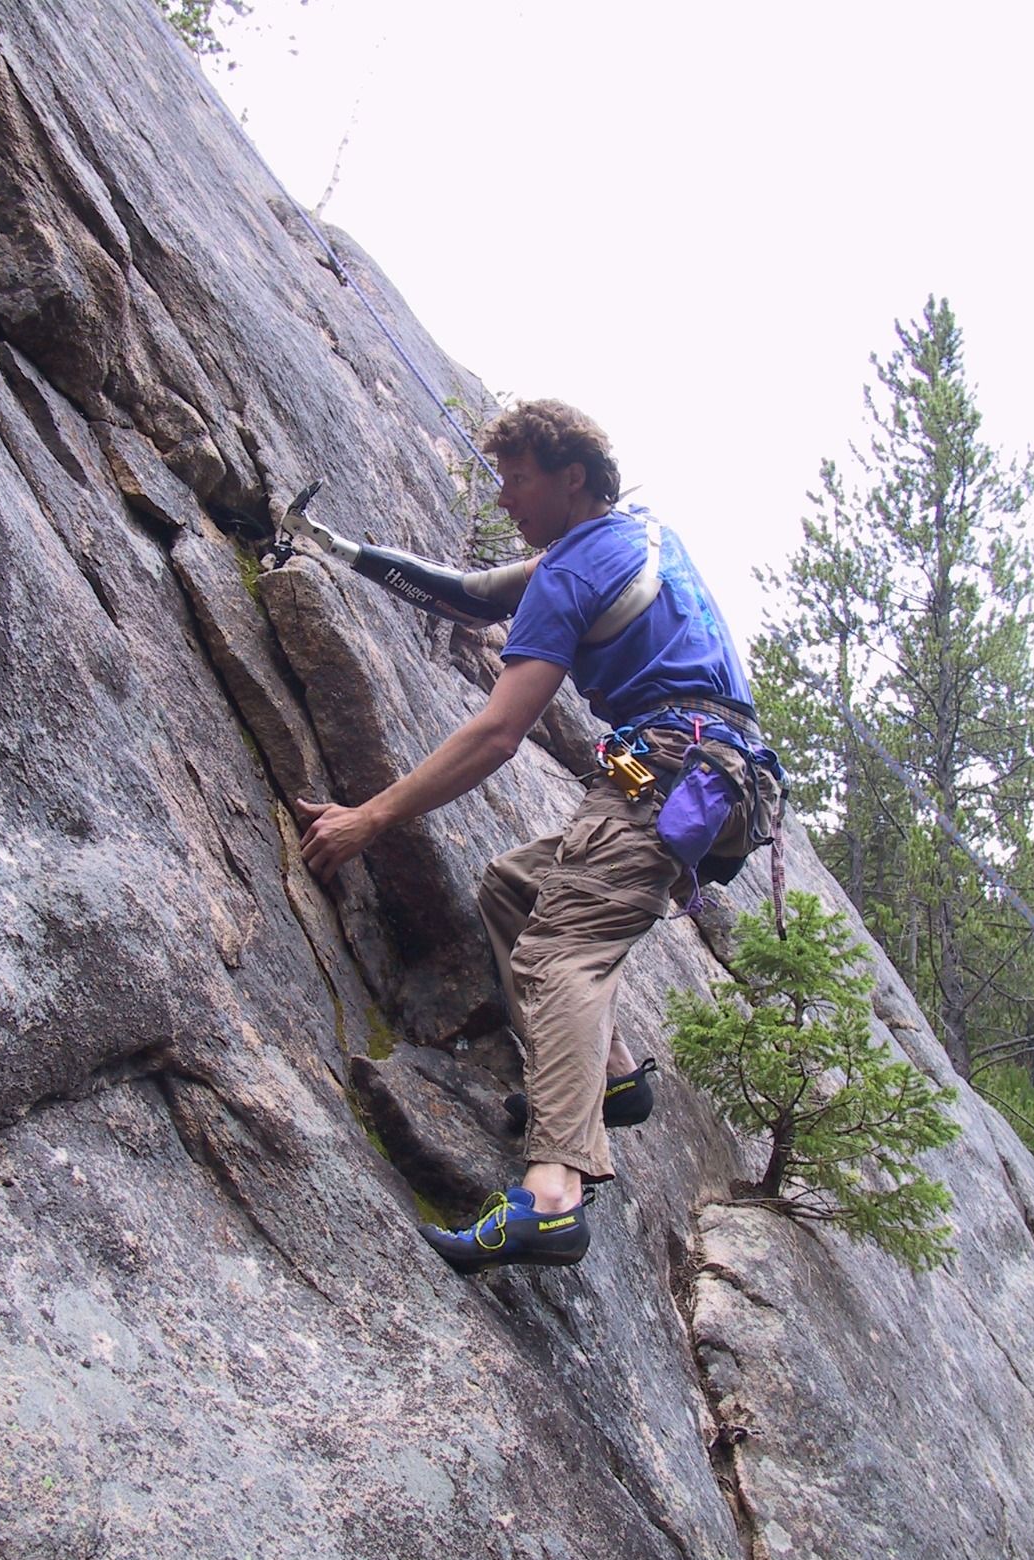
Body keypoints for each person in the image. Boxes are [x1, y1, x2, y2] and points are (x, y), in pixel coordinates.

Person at [296, 399, 769, 1274]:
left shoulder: (572, 570)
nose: (506, 498)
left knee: (561, 957)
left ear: (571, 478)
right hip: (710, 780)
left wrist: (370, 817)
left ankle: (551, 1200)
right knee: (515, 888)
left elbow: (497, 732)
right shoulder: (634, 539)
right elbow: (468, 592)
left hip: (664, 769)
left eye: (517, 481)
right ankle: (613, 1081)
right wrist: (343, 552)